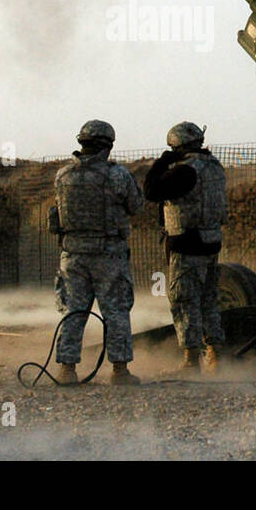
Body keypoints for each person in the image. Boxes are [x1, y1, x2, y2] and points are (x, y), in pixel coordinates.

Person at [51, 119, 145, 386]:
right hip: (108, 254)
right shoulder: (117, 175)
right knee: (116, 311)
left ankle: (67, 370)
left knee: (73, 311)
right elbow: (136, 207)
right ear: (108, 146)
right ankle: (120, 371)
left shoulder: (63, 175)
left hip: (73, 254)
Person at [144, 121, 227, 371]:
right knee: (208, 301)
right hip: (211, 242)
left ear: (176, 146)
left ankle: (191, 361)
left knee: (184, 301)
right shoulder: (214, 167)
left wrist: (161, 162)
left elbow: (150, 191)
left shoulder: (185, 171)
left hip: (187, 244)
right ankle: (216, 357)